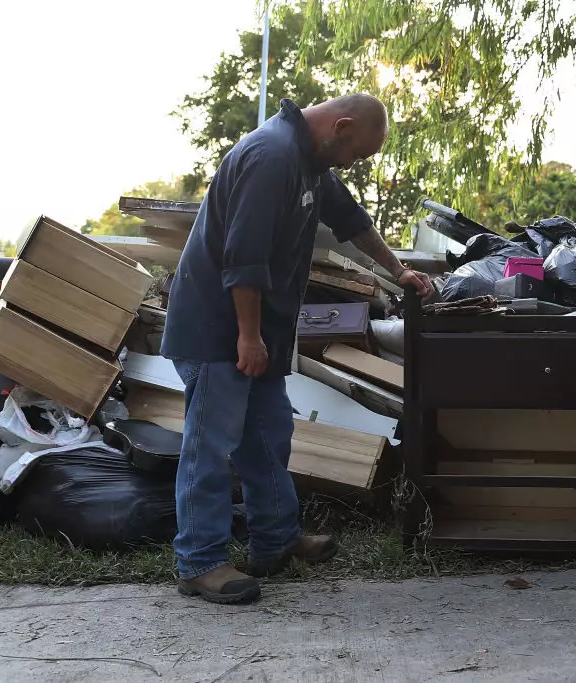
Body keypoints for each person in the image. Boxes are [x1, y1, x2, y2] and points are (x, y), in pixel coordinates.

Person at [160, 94, 433, 604]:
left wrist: (398, 271)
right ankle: (199, 562)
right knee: (212, 445)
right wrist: (247, 335)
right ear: (340, 126)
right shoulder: (271, 156)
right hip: (218, 327)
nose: (352, 163)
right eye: (354, 152)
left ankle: (275, 539)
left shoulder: (310, 160)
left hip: (257, 328)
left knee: (268, 436)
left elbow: (352, 222)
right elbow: (242, 258)